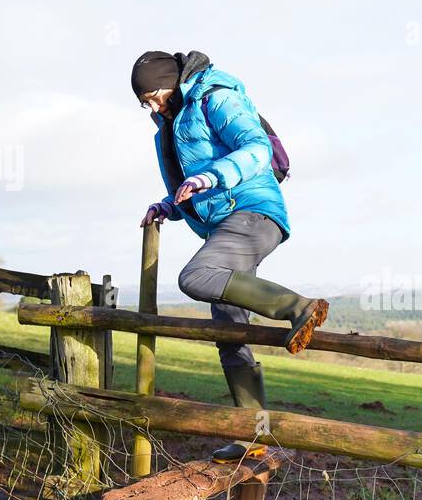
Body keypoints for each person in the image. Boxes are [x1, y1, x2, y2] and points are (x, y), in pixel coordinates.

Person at [131, 49, 328, 462]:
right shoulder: (171, 124)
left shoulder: (216, 97)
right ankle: (254, 436)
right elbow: (192, 183)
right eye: (144, 102)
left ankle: (299, 307)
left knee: (195, 275)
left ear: (170, 82)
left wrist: (212, 175)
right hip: (227, 224)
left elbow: (255, 148)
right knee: (229, 333)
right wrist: (169, 205)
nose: (151, 107)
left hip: (254, 212)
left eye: (153, 96)